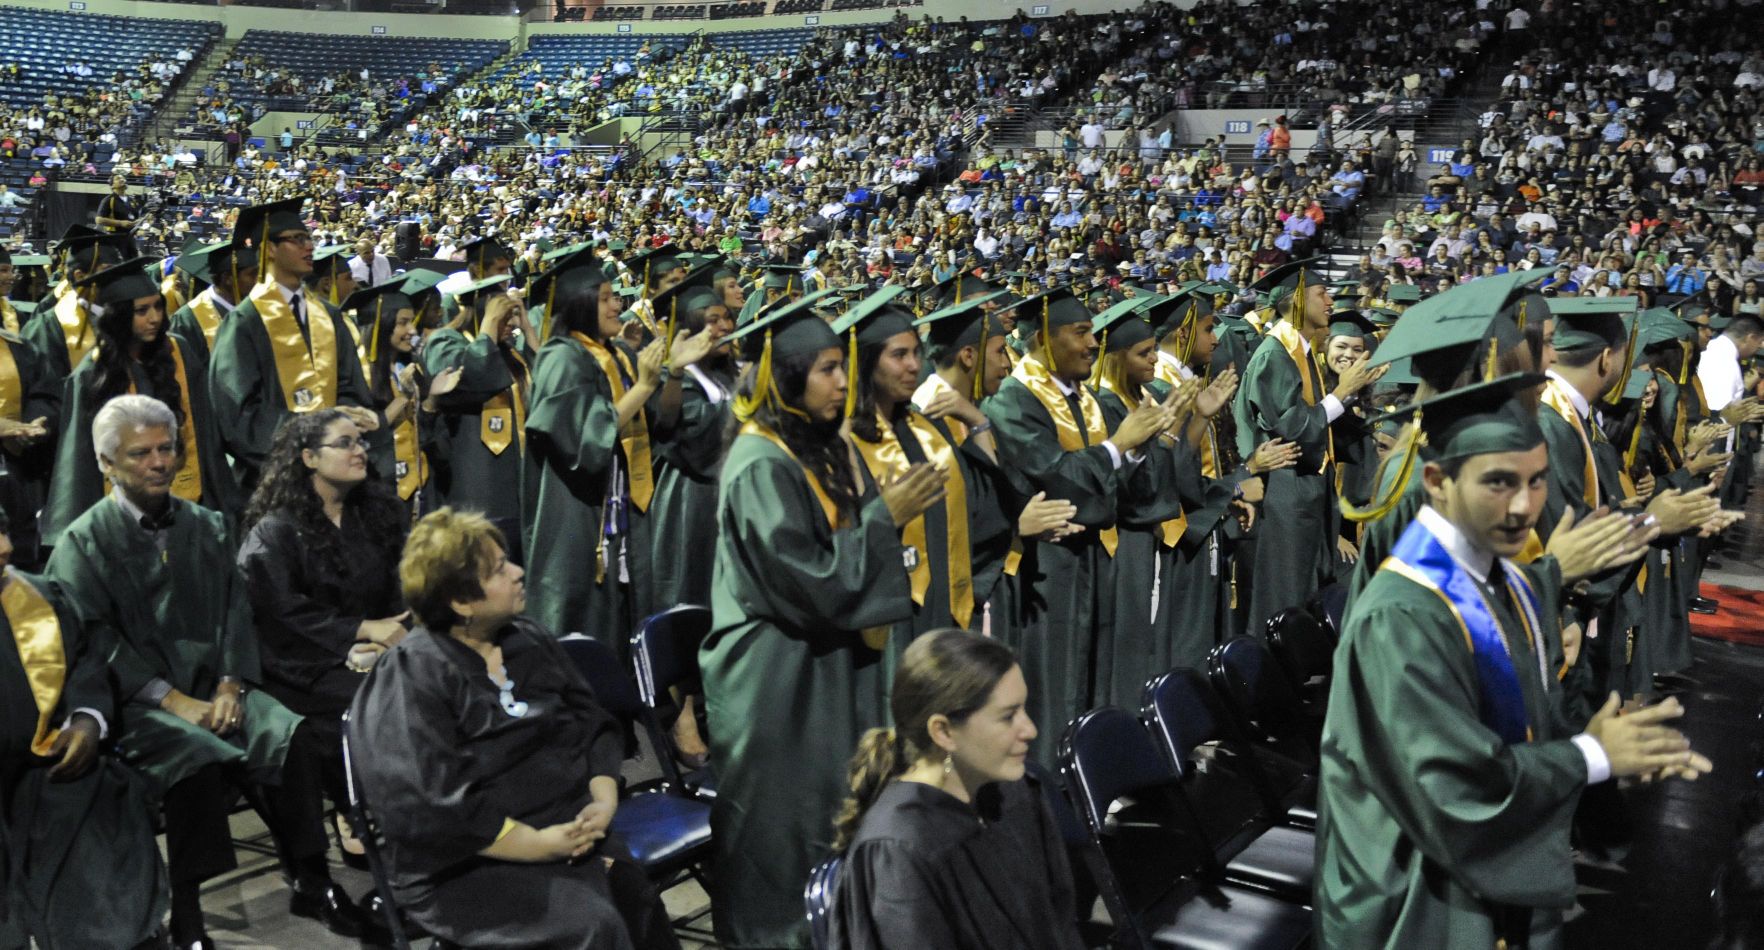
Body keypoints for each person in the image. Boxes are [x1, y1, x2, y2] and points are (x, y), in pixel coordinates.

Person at [1316, 373, 1712, 949]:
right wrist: (1591, 756)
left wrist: (1601, 744)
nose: (1526, 507)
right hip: (1415, 893)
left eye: (1537, 482)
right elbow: (1456, 788)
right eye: (1499, 483)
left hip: (1462, 874)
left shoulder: (1489, 577)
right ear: (1437, 481)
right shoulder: (1402, 616)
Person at [45, 395, 372, 948]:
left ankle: (312, 882)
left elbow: (236, 610)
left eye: (166, 448)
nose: (158, 462)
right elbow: (92, 641)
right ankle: (188, 913)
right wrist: (173, 700)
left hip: (219, 689)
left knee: (289, 733)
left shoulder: (207, 524)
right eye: (140, 453)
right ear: (105, 464)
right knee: (192, 760)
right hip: (142, 707)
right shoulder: (81, 543)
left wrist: (229, 682)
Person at [700, 296, 936, 949]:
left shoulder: (812, 445)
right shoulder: (759, 461)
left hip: (816, 662)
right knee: (782, 829)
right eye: (829, 369)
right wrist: (884, 516)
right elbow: (812, 581)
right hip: (774, 678)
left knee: (830, 812)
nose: (843, 383)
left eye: (843, 368)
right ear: (788, 375)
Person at [348, 507, 677, 950]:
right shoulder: (412, 678)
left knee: (636, 899)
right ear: (461, 601)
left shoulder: (526, 639)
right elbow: (430, 808)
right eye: (500, 570)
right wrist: (537, 845)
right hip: (465, 861)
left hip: (567, 828)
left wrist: (602, 798)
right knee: (593, 928)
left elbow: (591, 724)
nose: (519, 573)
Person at [829, 629, 1085, 950]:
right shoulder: (898, 849)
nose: (1030, 729)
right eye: (1008, 717)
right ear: (944, 731)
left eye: (1024, 709)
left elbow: (1059, 926)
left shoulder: (1015, 794)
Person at [236, 409, 411, 864]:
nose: (360, 451)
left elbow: (400, 586)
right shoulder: (275, 531)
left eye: (361, 443)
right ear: (310, 457)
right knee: (373, 698)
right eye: (346, 443)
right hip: (301, 663)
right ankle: (356, 807)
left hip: (377, 648)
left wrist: (393, 629)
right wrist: (357, 634)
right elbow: (280, 613)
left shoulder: (379, 512)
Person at [522, 248, 714, 640]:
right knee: (585, 625)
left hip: (625, 508)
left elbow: (660, 421)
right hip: (579, 512)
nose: (618, 306)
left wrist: (673, 373)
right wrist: (643, 386)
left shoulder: (619, 353)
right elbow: (581, 438)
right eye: (607, 298)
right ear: (581, 304)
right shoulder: (561, 359)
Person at [0, 505, 167, 950]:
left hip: (43, 763)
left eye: (1, 529)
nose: (6, 547)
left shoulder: (36, 595)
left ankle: (123, 937)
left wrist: (87, 721)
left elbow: (85, 664)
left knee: (101, 795)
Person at [835, 286, 1015, 665]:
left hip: (941, 605)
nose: (914, 365)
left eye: (916, 353)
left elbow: (979, 509)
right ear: (867, 361)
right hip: (888, 613)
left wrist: (979, 423)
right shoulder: (844, 439)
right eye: (899, 355)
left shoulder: (927, 429)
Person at [40, 258, 237, 550]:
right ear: (119, 316)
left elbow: (206, 435)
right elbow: (78, 459)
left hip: (188, 500)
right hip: (122, 513)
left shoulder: (178, 351)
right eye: (141, 311)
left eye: (158, 306)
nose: (155, 317)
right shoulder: (93, 374)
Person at [1233, 260, 1382, 636]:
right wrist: (1341, 392)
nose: (1331, 301)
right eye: (1322, 293)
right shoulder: (1275, 355)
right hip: (1285, 491)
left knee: (1302, 596)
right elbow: (1292, 426)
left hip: (1306, 492)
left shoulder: (1298, 351)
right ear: (1298, 300)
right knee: (1282, 598)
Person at [207, 197, 382, 490]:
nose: (309, 246)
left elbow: (351, 386)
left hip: (336, 480)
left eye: (308, 238)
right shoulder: (244, 323)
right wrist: (314, 431)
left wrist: (344, 424)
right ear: (270, 249)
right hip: (273, 481)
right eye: (297, 239)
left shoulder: (329, 316)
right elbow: (239, 414)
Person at [420, 273, 533, 544]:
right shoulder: (445, 342)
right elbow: (468, 379)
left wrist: (528, 328)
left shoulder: (510, 352)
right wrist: (489, 327)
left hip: (518, 480)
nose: (510, 323)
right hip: (475, 482)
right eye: (503, 315)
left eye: (512, 316)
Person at [351, 278, 459, 515]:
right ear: (381, 325)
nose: (412, 330)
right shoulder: (357, 379)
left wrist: (431, 401)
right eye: (403, 323)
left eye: (411, 321)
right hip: (379, 491)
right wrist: (404, 398)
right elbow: (365, 434)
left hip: (423, 489)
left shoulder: (411, 369)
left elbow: (429, 438)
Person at [167, 238, 259, 366]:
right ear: (227, 278)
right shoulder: (188, 320)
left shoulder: (258, 310)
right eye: (252, 274)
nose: (259, 280)